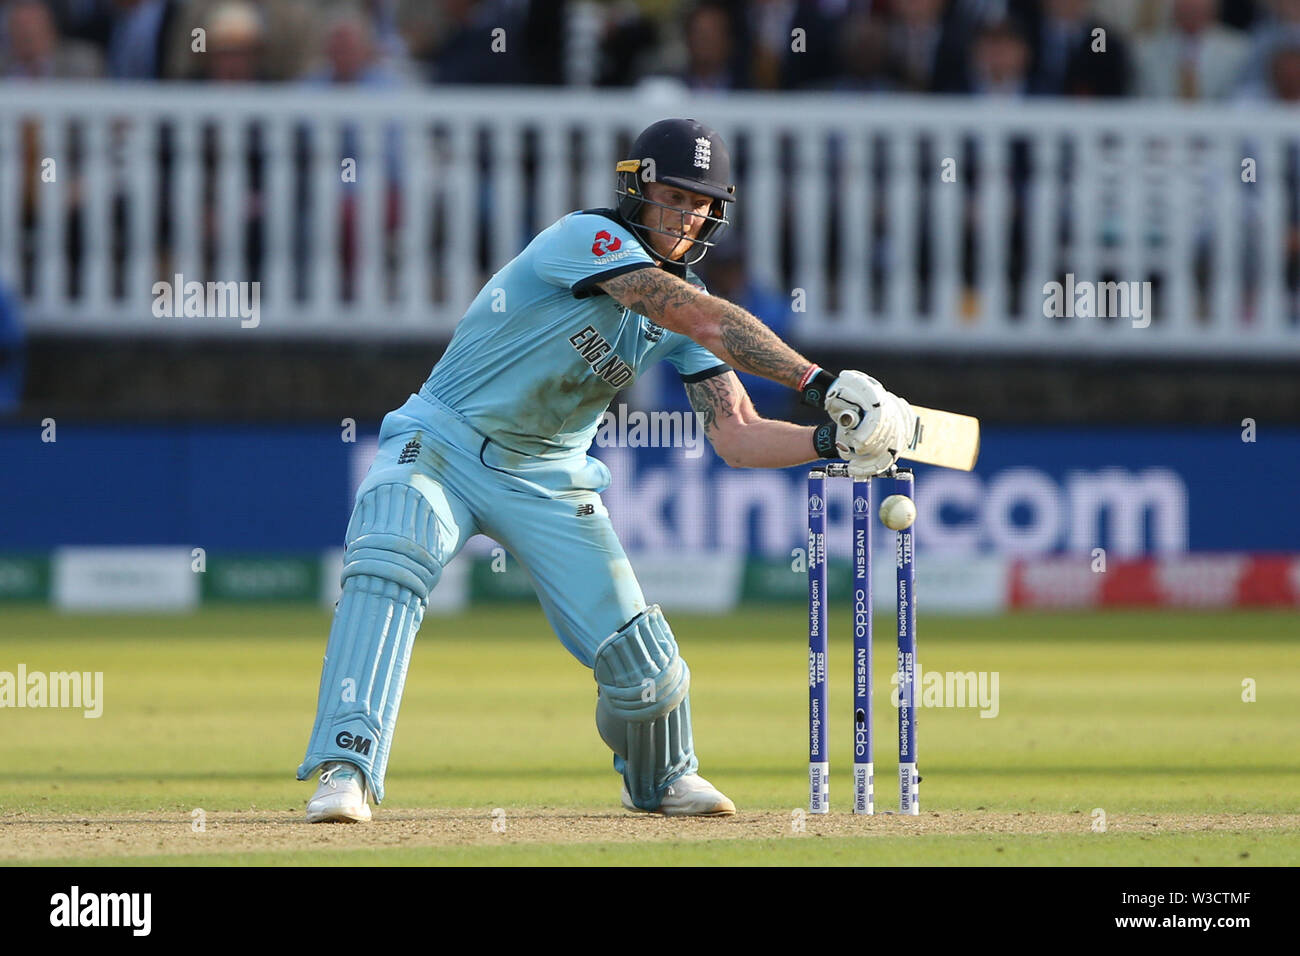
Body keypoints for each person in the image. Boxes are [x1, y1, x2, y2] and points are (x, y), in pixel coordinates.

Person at [297, 118, 916, 821]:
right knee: (391, 552)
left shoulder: (684, 305)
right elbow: (701, 318)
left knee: (645, 669)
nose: (686, 216)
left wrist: (833, 442)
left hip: (551, 479)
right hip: (442, 444)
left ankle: (661, 778)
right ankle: (346, 765)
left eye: (701, 205)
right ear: (637, 188)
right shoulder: (586, 241)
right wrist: (819, 382)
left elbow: (737, 436)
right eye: (673, 197)